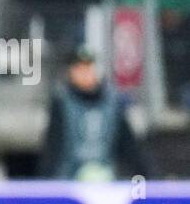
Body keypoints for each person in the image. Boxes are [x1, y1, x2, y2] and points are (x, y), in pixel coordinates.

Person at [40, 47, 152, 181]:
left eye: (88, 68)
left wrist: (149, 177)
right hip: (69, 180)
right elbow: (53, 148)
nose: (85, 74)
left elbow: (130, 148)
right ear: (71, 72)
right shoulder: (62, 103)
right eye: (79, 69)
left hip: (106, 178)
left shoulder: (112, 103)